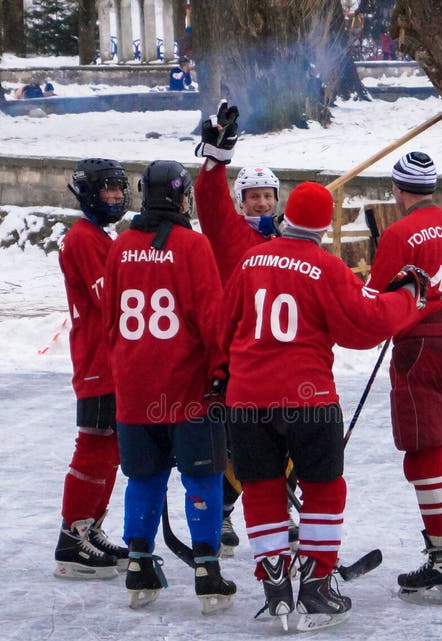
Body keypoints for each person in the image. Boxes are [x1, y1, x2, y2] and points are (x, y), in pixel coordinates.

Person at [215, 180, 429, 632]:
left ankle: (275, 583)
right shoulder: (326, 267)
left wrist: (220, 376)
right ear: (325, 224)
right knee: (324, 487)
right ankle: (315, 585)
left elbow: (223, 325)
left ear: (286, 216)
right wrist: (409, 295)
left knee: (261, 488)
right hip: (308, 398)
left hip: (248, 398)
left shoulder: (251, 261)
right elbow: (364, 325)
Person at [102, 159, 236, 613]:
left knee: (143, 475)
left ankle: (139, 563)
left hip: (135, 387)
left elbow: (109, 320)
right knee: (202, 475)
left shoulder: (121, 245)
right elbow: (211, 316)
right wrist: (221, 371)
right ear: (181, 197)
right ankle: (207, 571)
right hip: (186, 387)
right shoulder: (194, 245)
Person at [365, 151, 442, 604]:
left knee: (425, 453)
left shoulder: (399, 233)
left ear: (398, 189)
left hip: (424, 349)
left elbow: (377, 297)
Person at [194, 101, 293, 556]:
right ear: (241, 201)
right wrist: (217, 159)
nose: (263, 203)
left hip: (284, 356)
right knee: (237, 440)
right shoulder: (229, 234)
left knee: (290, 435)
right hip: (239, 355)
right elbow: (209, 201)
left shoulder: (289, 242)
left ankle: (280, 506)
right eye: (254, 196)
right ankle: (224, 510)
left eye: (268, 196)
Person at [54, 158, 131, 579]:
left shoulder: (101, 236)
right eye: (108, 189)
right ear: (88, 193)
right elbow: (112, 299)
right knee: (93, 445)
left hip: (114, 361)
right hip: (97, 362)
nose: (116, 197)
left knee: (112, 449)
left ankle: (90, 527)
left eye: (119, 189)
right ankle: (71, 537)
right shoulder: (83, 239)